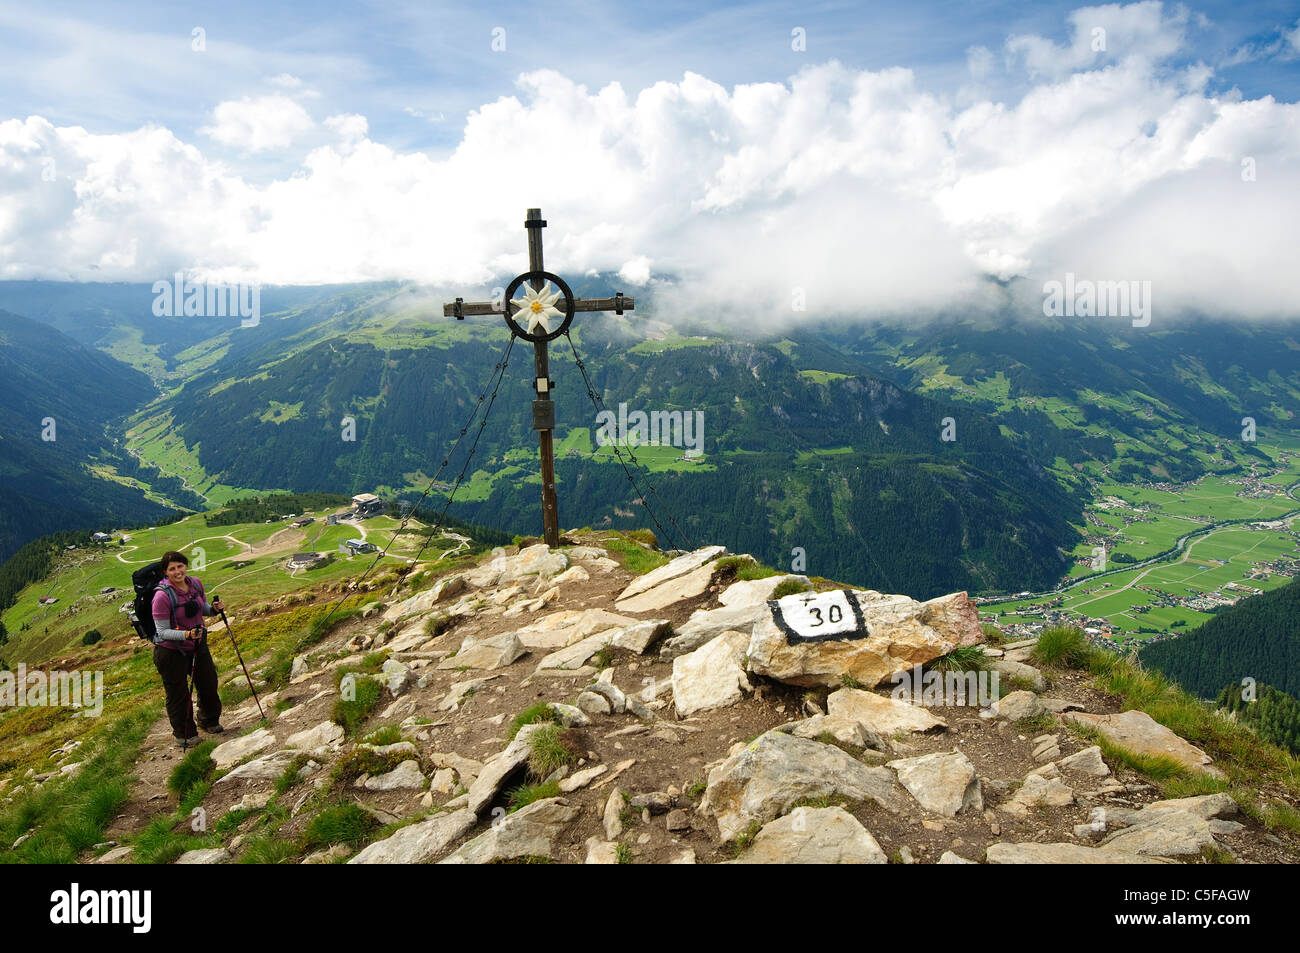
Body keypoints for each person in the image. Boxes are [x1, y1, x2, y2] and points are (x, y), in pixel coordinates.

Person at [151, 551, 224, 749]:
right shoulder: (161, 596)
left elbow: (202, 609)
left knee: (208, 682)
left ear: (186, 566)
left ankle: (209, 721)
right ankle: (185, 735)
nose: (177, 571)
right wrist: (186, 635)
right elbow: (162, 632)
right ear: (165, 573)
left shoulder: (195, 584)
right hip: (170, 652)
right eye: (172, 569)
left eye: (180, 566)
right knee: (178, 694)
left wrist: (214, 610)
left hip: (197, 644)